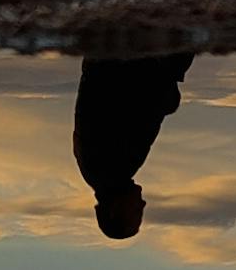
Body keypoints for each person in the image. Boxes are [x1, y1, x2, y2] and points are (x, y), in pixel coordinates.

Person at [71, 46, 196, 238]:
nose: (143, 204)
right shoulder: (103, 172)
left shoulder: (112, 167)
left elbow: (142, 103)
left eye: (136, 212)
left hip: (131, 56)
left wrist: (169, 99)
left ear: (114, 210)